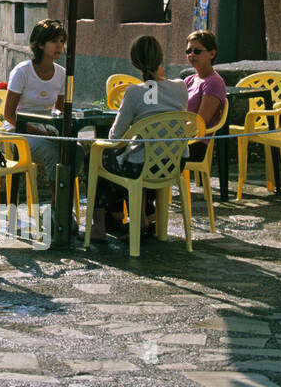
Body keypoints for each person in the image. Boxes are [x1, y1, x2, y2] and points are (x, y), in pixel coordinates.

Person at [91, 35, 189, 239]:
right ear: (161, 57)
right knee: (137, 160)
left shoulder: (134, 92)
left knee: (100, 159)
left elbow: (115, 136)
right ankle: (144, 215)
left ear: (135, 62)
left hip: (142, 167)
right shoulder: (180, 87)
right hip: (175, 162)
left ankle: (99, 226)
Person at [2, 19, 68, 201]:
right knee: (54, 152)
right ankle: (58, 204)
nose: (59, 46)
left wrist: (52, 130)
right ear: (40, 44)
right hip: (18, 132)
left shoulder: (62, 73)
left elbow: (59, 111)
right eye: (54, 41)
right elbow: (8, 115)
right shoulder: (22, 72)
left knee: (75, 149)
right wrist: (37, 131)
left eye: (62, 41)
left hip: (45, 127)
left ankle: (64, 200)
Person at [182, 29, 226, 161]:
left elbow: (199, 122)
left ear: (212, 54)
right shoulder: (189, 80)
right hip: (181, 137)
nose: (192, 55)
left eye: (197, 51)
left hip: (195, 144)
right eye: (188, 51)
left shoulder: (214, 83)